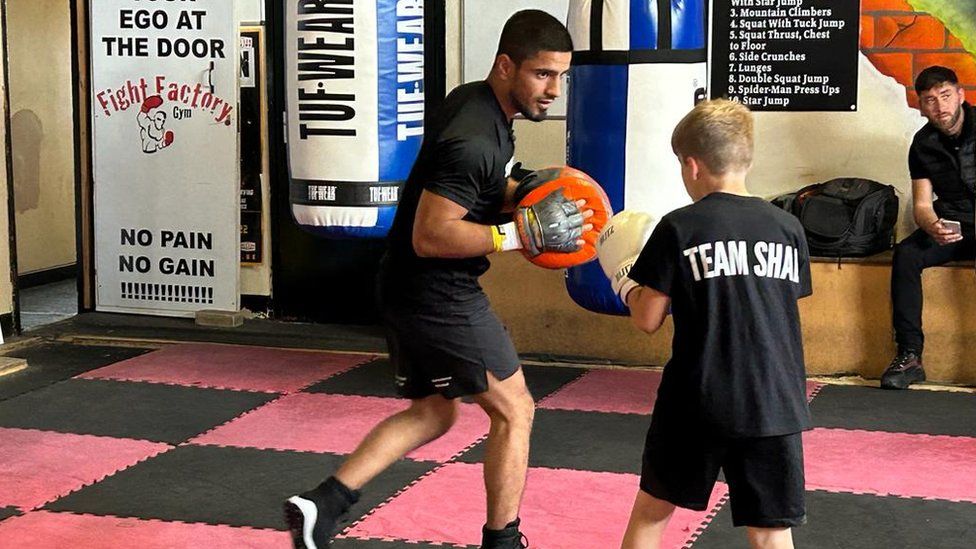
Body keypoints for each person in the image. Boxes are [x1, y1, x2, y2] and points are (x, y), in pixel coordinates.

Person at [284, 10, 584, 549]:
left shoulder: (476, 101)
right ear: (505, 65)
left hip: (405, 285)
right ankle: (503, 542)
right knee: (516, 410)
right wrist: (518, 235)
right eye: (543, 74)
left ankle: (321, 505)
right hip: (436, 292)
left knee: (433, 412)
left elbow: (485, 185)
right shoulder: (474, 139)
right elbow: (433, 234)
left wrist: (532, 190)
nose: (554, 90)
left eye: (561, 76)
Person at [597, 99, 812, 549]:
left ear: (691, 165)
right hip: (774, 398)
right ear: (745, 157)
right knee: (772, 529)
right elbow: (780, 305)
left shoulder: (680, 227)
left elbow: (647, 319)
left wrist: (624, 276)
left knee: (654, 511)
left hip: (697, 399)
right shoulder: (787, 227)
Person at [882, 66, 975, 390]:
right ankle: (910, 356)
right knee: (906, 255)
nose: (940, 106)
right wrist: (932, 225)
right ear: (921, 105)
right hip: (953, 226)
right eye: (930, 100)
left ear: (961, 95)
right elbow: (922, 204)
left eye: (946, 96)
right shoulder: (922, 144)